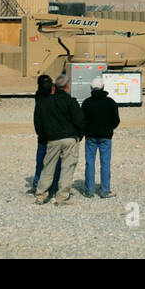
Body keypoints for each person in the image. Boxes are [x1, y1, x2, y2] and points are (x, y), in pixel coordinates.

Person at [33, 74, 85, 205]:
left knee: (48, 167)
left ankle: (41, 194)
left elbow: (40, 121)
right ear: (67, 86)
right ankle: (62, 195)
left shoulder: (45, 102)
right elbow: (80, 120)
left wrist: (44, 134)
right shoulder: (71, 101)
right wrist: (80, 134)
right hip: (69, 138)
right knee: (67, 167)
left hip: (52, 138)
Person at [81, 77, 121, 199]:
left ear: (91, 88)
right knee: (105, 163)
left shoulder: (86, 103)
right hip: (105, 137)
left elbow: (82, 120)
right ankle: (105, 190)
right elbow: (116, 120)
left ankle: (89, 190)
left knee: (90, 163)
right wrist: (109, 129)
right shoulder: (110, 102)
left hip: (91, 137)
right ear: (103, 87)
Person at [30, 74, 62, 196]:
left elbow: (36, 118)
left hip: (43, 135)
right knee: (55, 162)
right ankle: (54, 186)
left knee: (41, 162)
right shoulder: (51, 97)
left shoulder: (40, 97)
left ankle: (38, 184)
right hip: (52, 134)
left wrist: (39, 131)